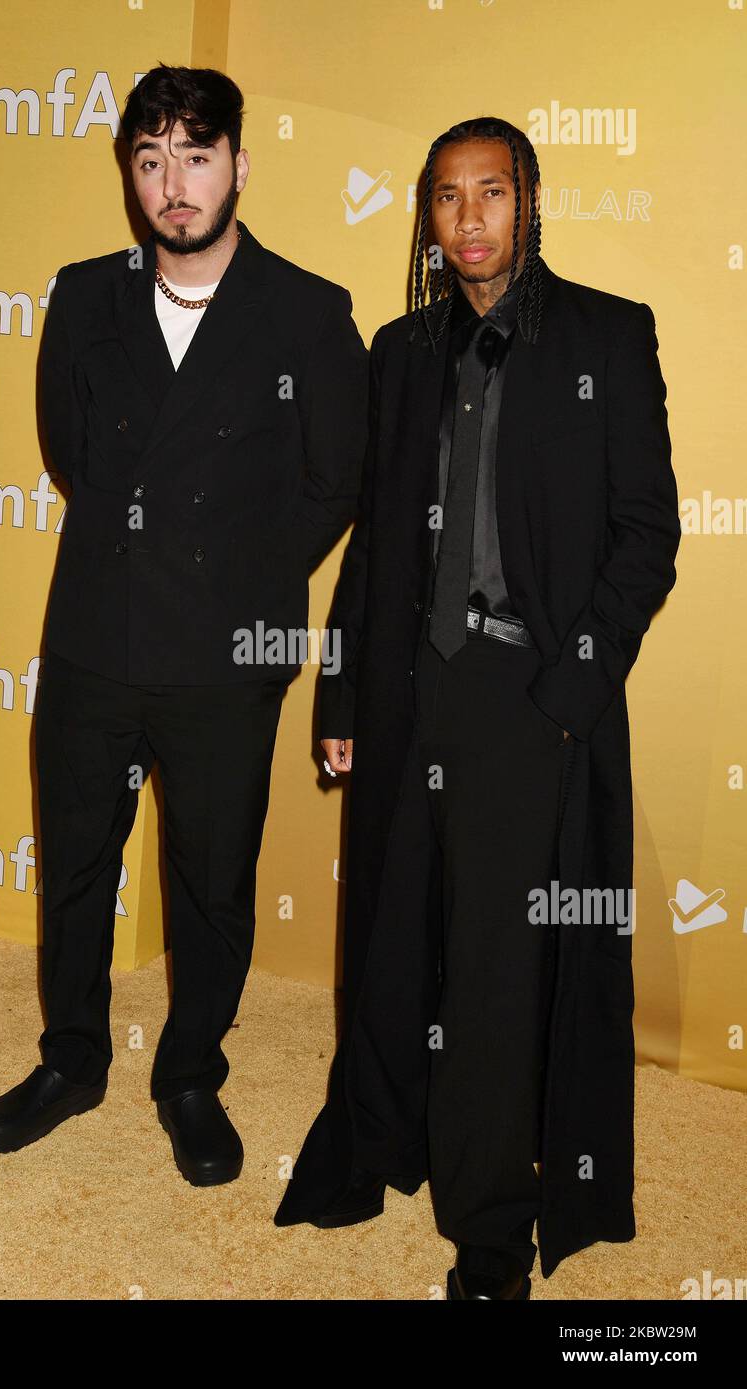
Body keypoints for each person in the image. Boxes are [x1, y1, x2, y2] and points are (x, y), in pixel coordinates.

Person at [274, 116, 681, 1299]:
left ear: (529, 199)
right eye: (447, 197)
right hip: (409, 690)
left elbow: (644, 536)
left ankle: (492, 1222)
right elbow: (368, 548)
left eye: (490, 193)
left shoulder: (610, 335)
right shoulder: (398, 353)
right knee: (392, 935)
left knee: (501, 976)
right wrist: (343, 690)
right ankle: (378, 1145)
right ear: (428, 212)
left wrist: (570, 686)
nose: (468, 219)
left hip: (528, 694)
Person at [0, 64, 369, 1186]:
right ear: (131, 176)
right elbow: (69, 449)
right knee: (75, 865)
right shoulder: (83, 292)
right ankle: (73, 1058)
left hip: (225, 656)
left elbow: (332, 482)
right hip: (96, 632)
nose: (173, 183)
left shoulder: (306, 309)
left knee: (211, 879)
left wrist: (232, 579)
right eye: (150, 160)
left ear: (238, 163)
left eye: (195, 156)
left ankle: (190, 1073)